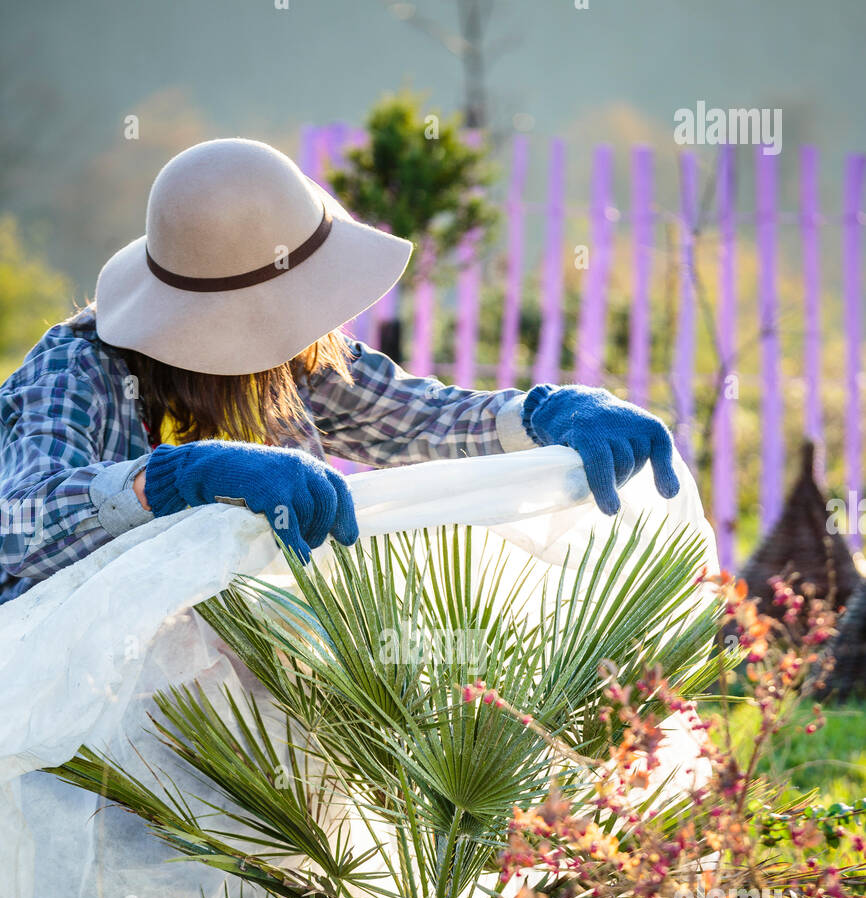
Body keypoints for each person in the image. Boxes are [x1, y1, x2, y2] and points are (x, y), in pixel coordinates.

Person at [0, 135, 680, 603]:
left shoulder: (290, 361)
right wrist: (179, 479)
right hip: (68, 713)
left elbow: (416, 419)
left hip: (228, 681)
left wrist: (544, 414)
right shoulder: (77, 371)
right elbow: (20, 526)